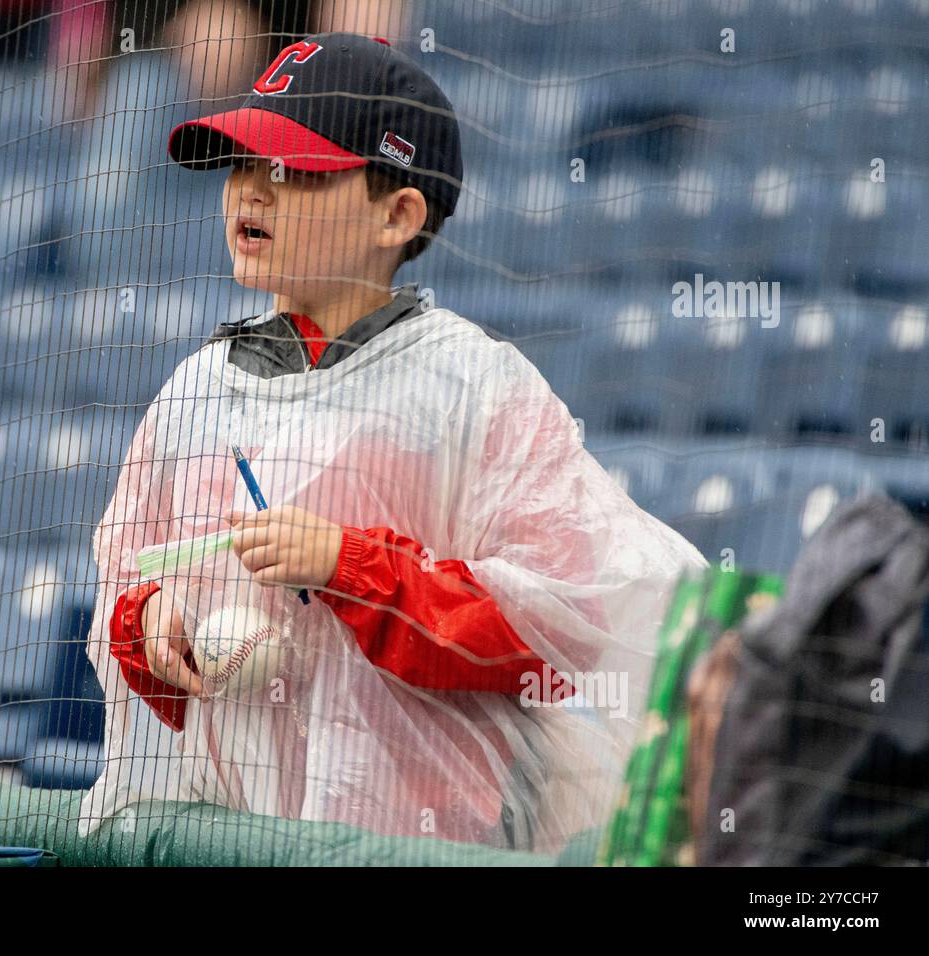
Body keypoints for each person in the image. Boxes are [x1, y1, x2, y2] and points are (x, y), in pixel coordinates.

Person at [79, 32, 708, 853]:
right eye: (239, 164)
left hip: (423, 842)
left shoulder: (475, 386)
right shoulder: (193, 390)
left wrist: (352, 566)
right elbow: (125, 578)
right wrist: (148, 623)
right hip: (224, 833)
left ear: (397, 214)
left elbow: (559, 629)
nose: (249, 194)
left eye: (294, 171)